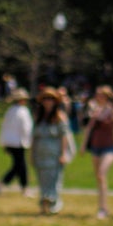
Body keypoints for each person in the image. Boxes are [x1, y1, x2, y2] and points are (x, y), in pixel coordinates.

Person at [82, 85, 113, 219]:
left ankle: (103, 208)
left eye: (100, 95)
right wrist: (83, 146)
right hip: (95, 147)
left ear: (106, 97)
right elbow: (89, 129)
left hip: (109, 148)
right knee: (99, 178)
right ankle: (102, 206)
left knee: (101, 174)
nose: (97, 97)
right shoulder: (95, 111)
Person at [31, 87, 74, 215]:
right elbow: (34, 137)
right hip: (41, 153)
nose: (48, 101)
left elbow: (64, 136)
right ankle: (44, 204)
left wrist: (63, 154)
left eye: (50, 99)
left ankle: (54, 204)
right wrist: (32, 154)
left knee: (54, 180)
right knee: (42, 179)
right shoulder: (38, 117)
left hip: (54, 154)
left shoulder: (60, 117)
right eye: (45, 99)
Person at [0, 88, 33, 196]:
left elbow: (4, 128)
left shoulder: (10, 111)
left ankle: (21, 187)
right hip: (19, 143)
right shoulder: (23, 111)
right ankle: (5, 185)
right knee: (19, 166)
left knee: (18, 166)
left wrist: (3, 142)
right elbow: (26, 129)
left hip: (10, 142)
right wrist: (29, 141)